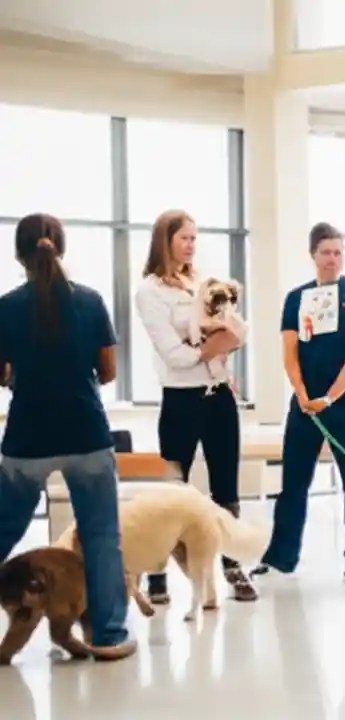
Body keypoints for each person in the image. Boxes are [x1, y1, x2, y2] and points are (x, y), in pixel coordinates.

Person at [0, 214, 134, 658]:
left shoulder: (6, 307)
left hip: (27, 439)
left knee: (2, 528)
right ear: (60, 248)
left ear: (19, 254)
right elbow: (108, 371)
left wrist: (21, 376)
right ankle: (109, 636)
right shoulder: (91, 301)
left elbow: (1, 373)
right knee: (101, 538)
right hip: (86, 434)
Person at [135, 209, 256, 604]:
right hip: (180, 401)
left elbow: (234, 329)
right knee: (172, 491)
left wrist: (220, 345)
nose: (191, 245)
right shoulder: (150, 292)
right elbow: (173, 355)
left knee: (227, 489)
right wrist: (212, 347)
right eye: (184, 238)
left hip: (219, 397)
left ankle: (233, 566)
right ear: (165, 241)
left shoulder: (203, 284)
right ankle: (157, 575)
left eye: (194, 238)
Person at [255, 222, 345, 578]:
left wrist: (331, 396)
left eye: (338, 252)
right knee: (293, 482)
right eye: (325, 252)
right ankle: (280, 556)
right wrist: (302, 394)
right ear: (313, 255)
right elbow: (290, 351)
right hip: (305, 406)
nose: (332, 259)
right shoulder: (297, 299)